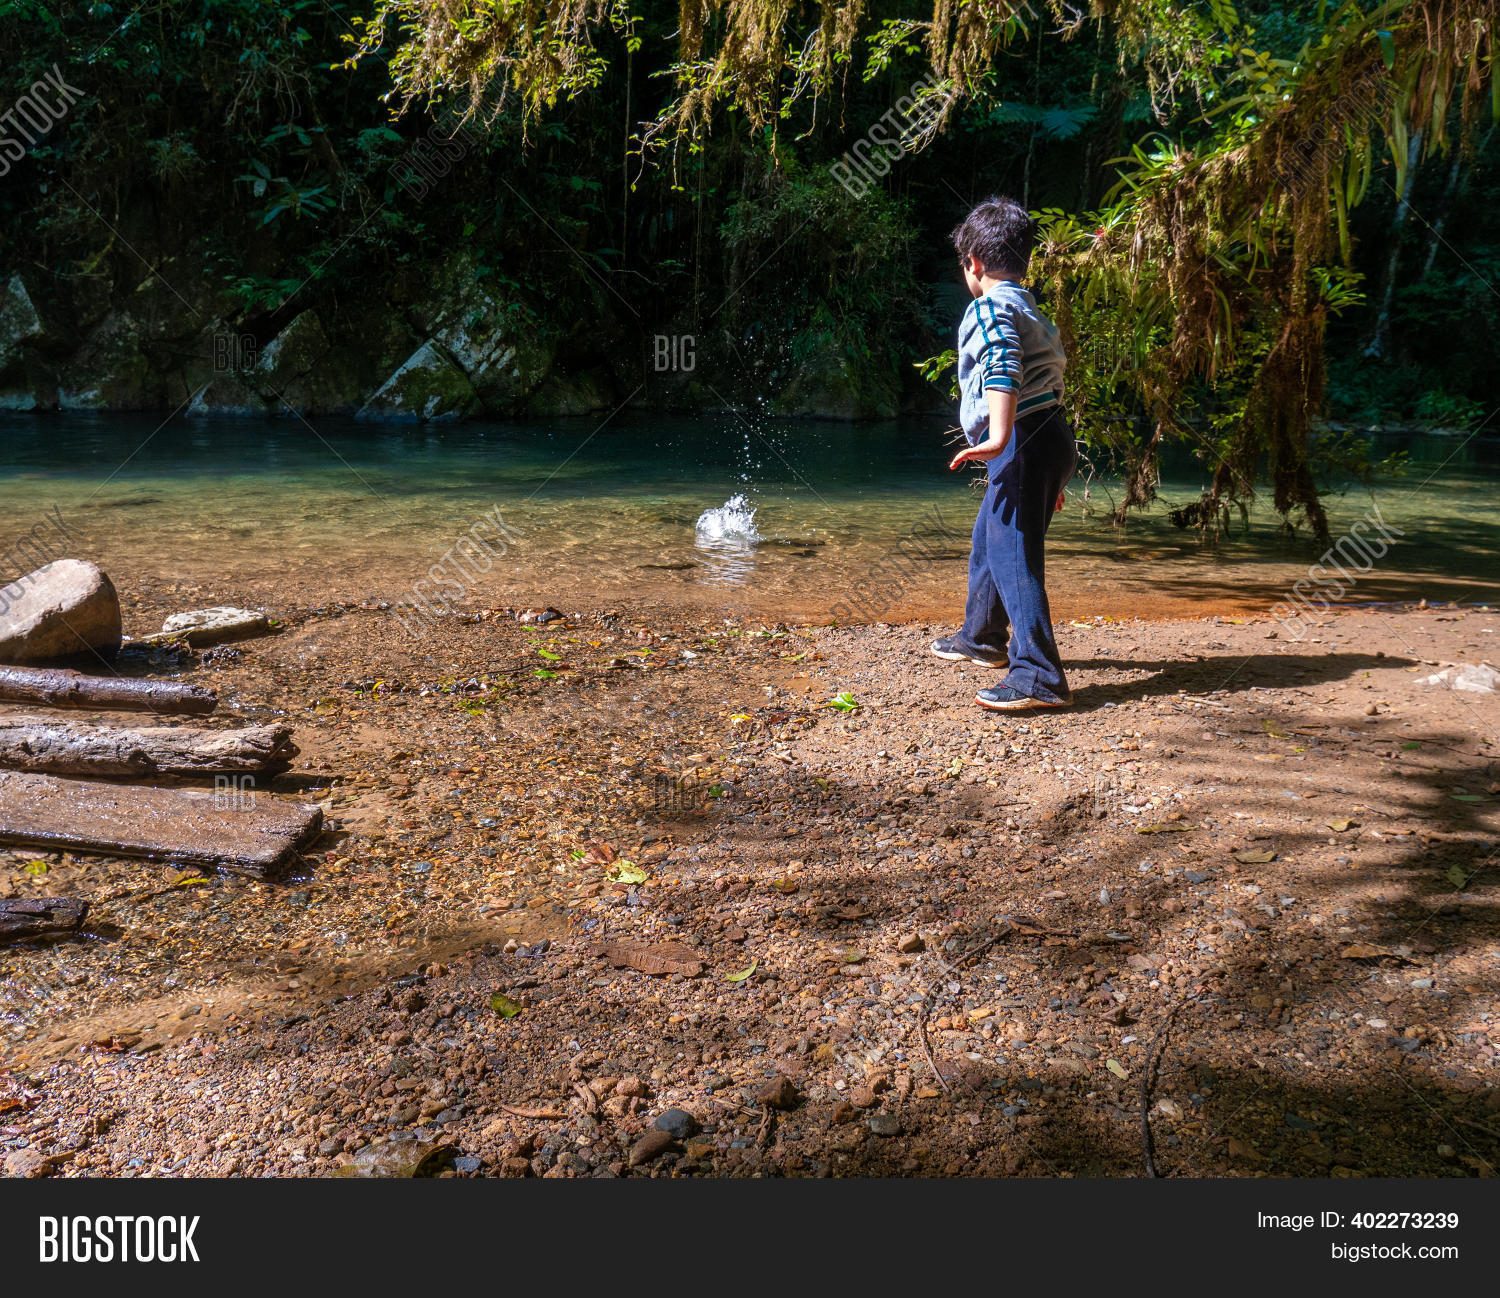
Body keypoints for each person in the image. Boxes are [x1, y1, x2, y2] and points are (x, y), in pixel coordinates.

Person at [931, 195, 1078, 711]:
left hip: (1024, 435)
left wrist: (997, 436)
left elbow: (1002, 362)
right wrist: (1049, 473)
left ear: (972, 263)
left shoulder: (990, 305)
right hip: (1050, 434)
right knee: (992, 539)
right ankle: (983, 637)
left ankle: (1039, 676)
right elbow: (1050, 374)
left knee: (1015, 556)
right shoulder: (1028, 305)